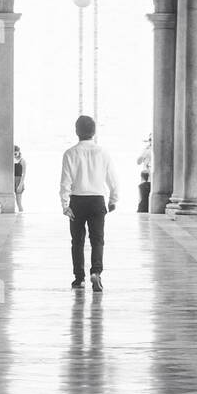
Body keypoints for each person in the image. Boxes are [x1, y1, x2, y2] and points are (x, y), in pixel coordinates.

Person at [59, 115, 120, 292]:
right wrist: (113, 200)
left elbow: (65, 182)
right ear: (94, 132)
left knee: (77, 241)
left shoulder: (70, 153)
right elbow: (113, 179)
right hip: (97, 200)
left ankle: (79, 279)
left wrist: (65, 205)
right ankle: (96, 273)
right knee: (98, 240)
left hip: (77, 200)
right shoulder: (103, 152)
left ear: (76, 131)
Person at [136, 134, 152, 213]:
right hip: (147, 176)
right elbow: (138, 161)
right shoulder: (147, 150)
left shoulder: (149, 149)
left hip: (151, 176)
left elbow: (138, 161)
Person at [13, 144, 26, 214]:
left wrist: (20, 184)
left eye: (15, 152)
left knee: (19, 202)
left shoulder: (22, 161)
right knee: (12, 202)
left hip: (19, 180)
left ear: (18, 152)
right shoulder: (11, 160)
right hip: (11, 180)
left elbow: (24, 174)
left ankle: (21, 216)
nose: (14, 154)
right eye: (13, 153)